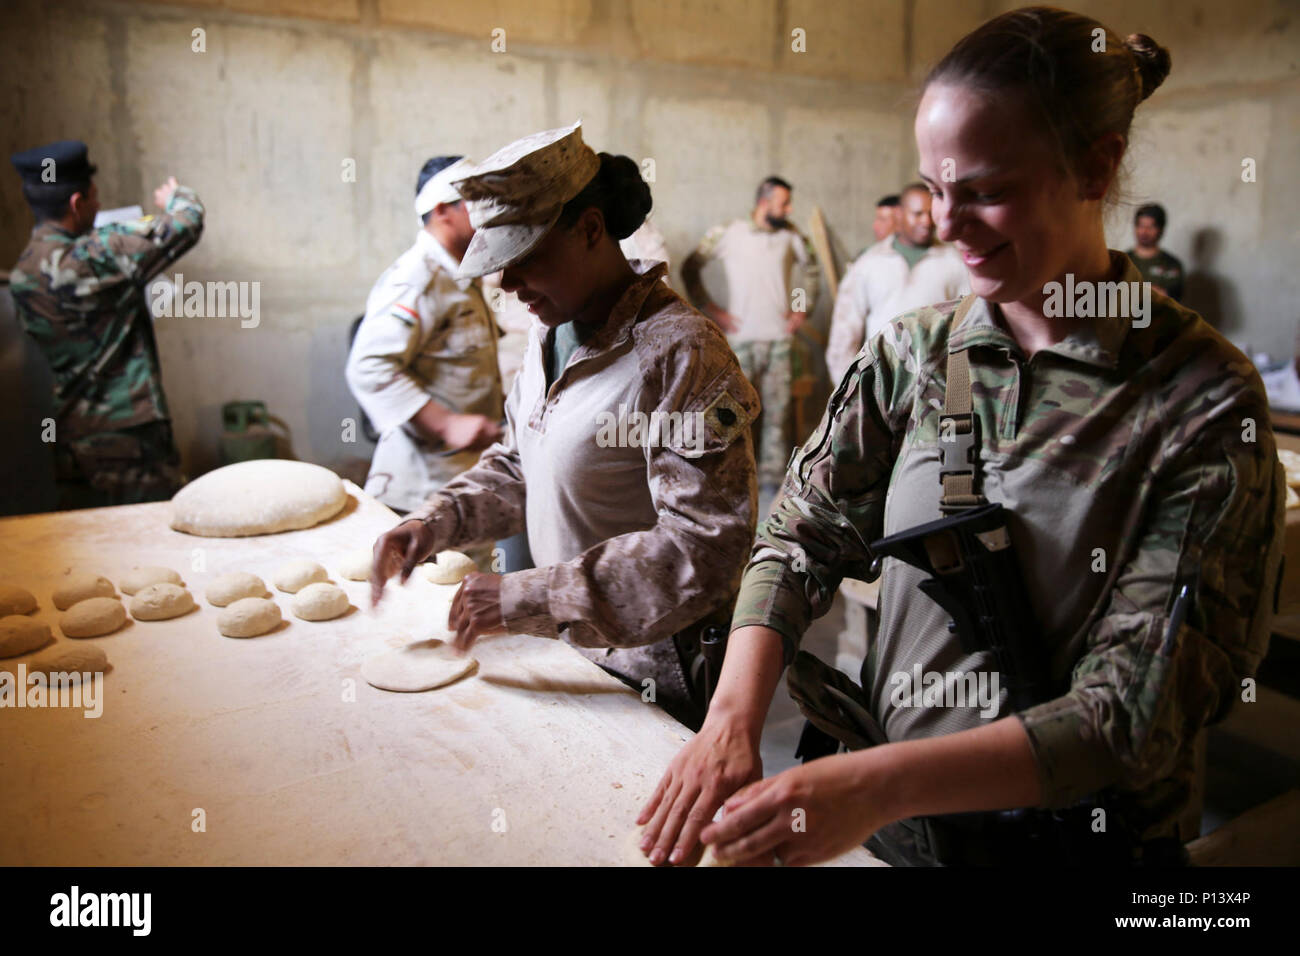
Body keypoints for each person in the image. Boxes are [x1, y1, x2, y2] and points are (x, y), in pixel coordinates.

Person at [636, 7, 1284, 867]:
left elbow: (1134, 713)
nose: (945, 223)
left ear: (1097, 164)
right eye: (934, 190)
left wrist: (876, 785)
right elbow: (802, 530)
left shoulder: (1199, 400)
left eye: (984, 190)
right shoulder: (917, 350)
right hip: (900, 836)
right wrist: (731, 717)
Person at [367, 123, 760, 730]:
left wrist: (529, 596)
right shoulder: (550, 333)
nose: (508, 285)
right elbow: (522, 464)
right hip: (575, 650)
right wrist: (436, 522)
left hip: (655, 674)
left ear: (592, 229)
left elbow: (705, 548)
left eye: (524, 260)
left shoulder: (681, 354)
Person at [9, 140, 204, 510]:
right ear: (76, 204)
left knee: (88, 549)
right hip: (130, 440)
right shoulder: (98, 255)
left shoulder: (22, 275)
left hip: (71, 440)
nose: (98, 206)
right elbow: (187, 222)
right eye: (94, 198)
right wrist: (177, 196)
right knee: (151, 544)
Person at [346, 155, 505, 544]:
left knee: (465, 594)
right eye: (476, 203)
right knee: (434, 595)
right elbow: (368, 367)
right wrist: (446, 423)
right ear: (441, 211)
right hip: (423, 487)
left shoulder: (461, 275)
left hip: (461, 479)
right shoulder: (418, 277)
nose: (489, 214)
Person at [681, 176, 820, 496]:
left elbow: (812, 270)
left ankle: (771, 484)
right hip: (740, 341)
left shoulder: (792, 235)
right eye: (783, 202)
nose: (789, 209)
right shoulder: (728, 233)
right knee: (728, 409)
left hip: (780, 343)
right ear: (764, 202)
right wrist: (712, 310)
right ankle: (722, 479)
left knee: (778, 411)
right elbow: (691, 267)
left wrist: (802, 310)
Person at [825, 183, 968, 383]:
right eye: (917, 214)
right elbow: (844, 335)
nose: (926, 222)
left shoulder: (955, 263)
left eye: (930, 213)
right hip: (879, 383)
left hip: (935, 387)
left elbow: (970, 327)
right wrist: (847, 391)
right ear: (899, 215)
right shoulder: (868, 264)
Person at [1127, 202, 1185, 301]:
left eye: (1150, 227)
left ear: (1161, 230)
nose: (1144, 232)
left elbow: (1172, 298)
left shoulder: (1171, 264)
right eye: (1140, 225)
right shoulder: (1121, 261)